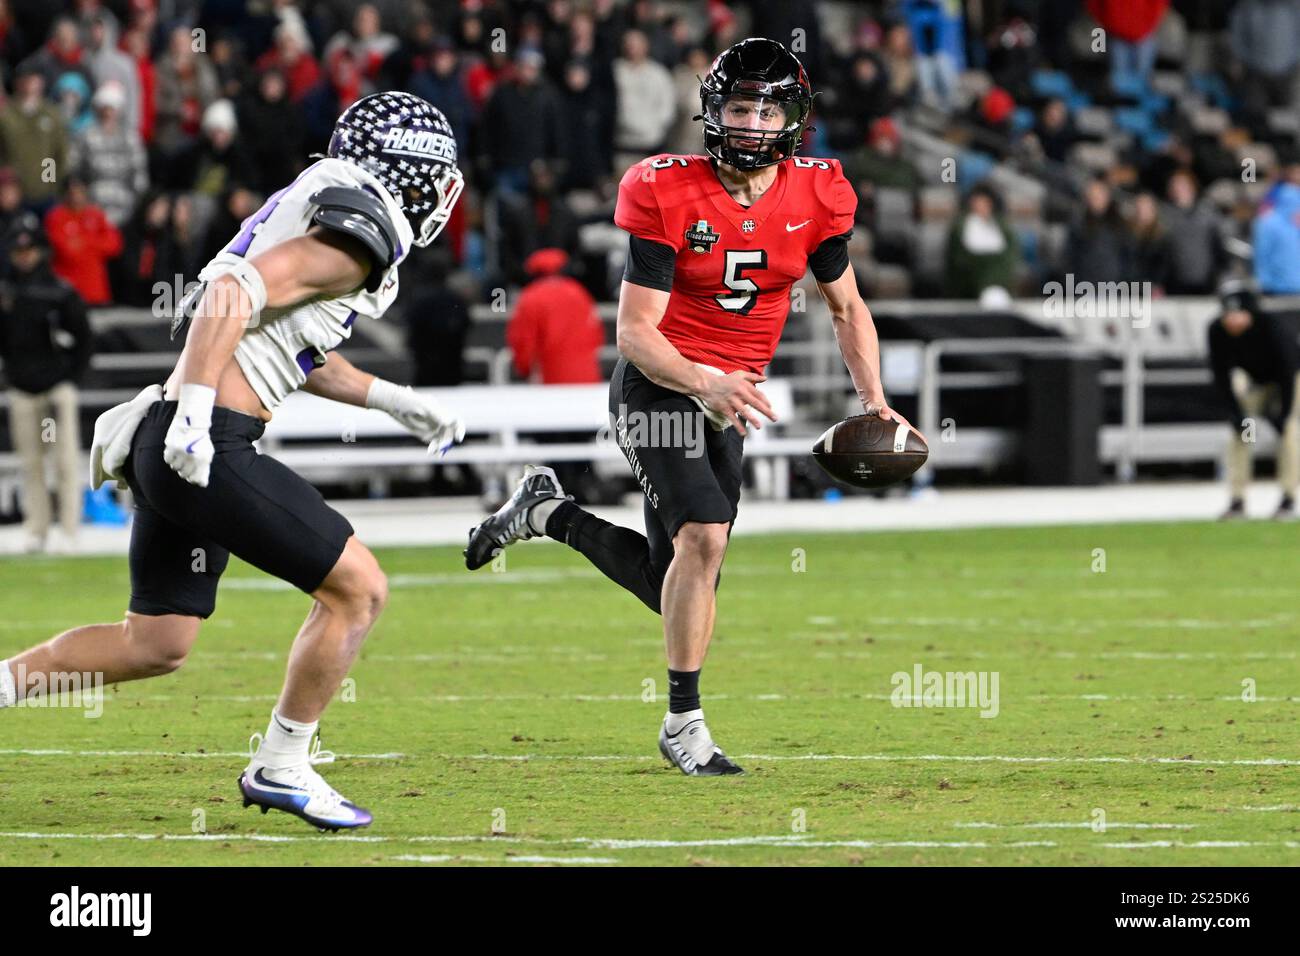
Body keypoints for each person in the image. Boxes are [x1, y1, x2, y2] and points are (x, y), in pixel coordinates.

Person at [0, 92, 467, 832]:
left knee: (154, 643)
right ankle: (281, 762)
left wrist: (395, 400)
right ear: (408, 167)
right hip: (206, 436)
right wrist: (195, 409)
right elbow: (234, 289)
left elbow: (291, 345)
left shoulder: (320, 199)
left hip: (173, 436)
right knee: (360, 591)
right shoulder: (361, 222)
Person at [465, 38, 915, 775]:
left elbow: (847, 306)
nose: (751, 123)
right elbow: (635, 333)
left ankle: (545, 512)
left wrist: (876, 402)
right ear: (712, 109)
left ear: (793, 120)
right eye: (739, 106)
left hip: (728, 398)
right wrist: (704, 380)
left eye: (767, 110)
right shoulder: (664, 188)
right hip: (662, 386)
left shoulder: (818, 193)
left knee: (674, 574)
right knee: (702, 538)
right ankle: (684, 724)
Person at [0, 214, 93, 553]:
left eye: (30, 249)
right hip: (23, 389)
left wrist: (69, 379)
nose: (24, 255)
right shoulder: (6, 293)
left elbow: (84, 340)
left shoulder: (60, 292)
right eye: (19, 250)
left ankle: (69, 529)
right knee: (31, 462)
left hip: (56, 387)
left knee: (65, 459)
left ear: (40, 251)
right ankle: (36, 528)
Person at [1208, 280, 1300, 520]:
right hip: (1256, 382)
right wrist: (1236, 414)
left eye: (1239, 314)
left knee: (1289, 430)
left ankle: (1287, 497)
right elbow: (1221, 377)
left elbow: (1287, 371)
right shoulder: (1218, 332)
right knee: (1242, 433)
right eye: (1229, 315)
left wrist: (1283, 412)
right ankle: (1238, 499)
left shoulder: (1271, 328)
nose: (1233, 321)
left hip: (1288, 380)